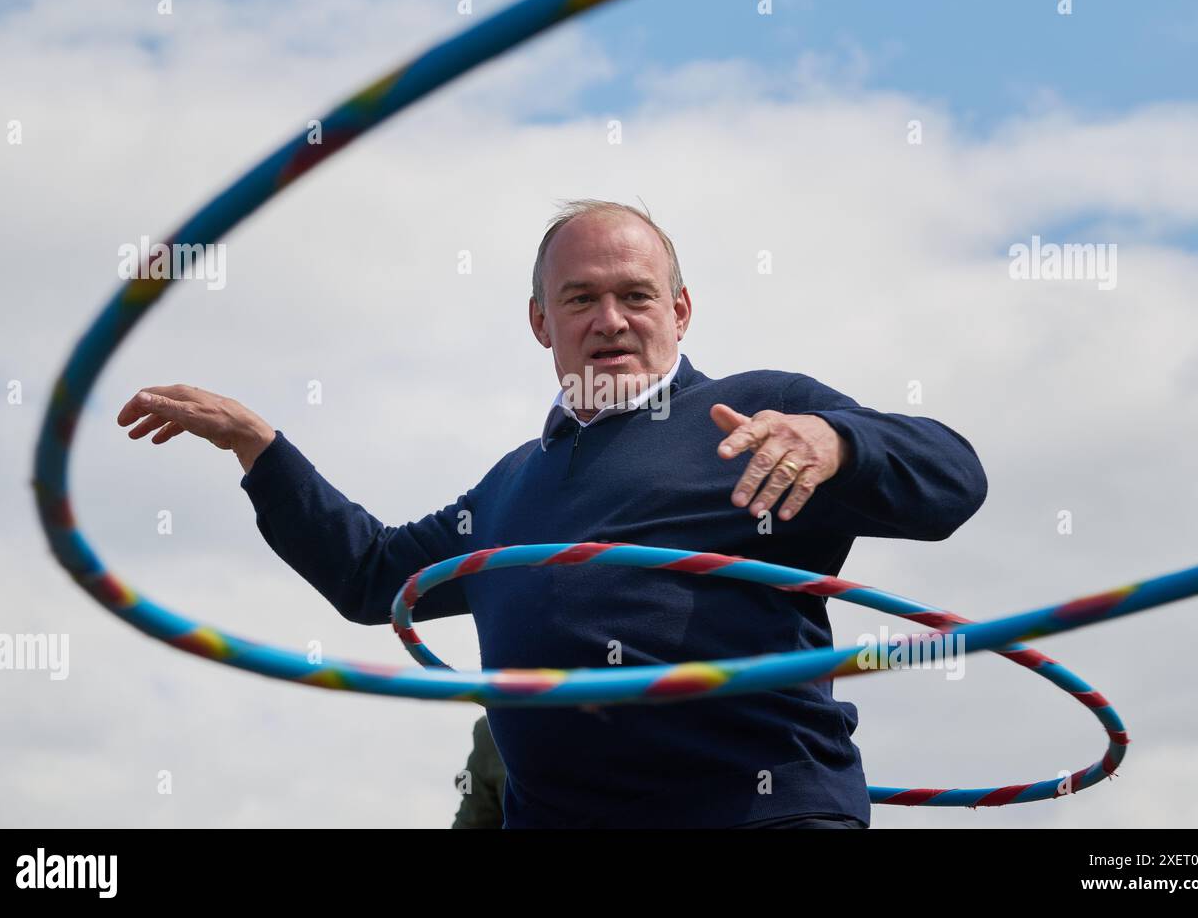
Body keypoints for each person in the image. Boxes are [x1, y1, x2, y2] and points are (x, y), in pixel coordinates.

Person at [116, 198, 988, 828]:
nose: (610, 320)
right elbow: (370, 575)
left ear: (679, 312)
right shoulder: (511, 487)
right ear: (541, 322)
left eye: (636, 295)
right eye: (580, 299)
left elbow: (954, 481)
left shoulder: (762, 413)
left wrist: (838, 442)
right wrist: (257, 445)